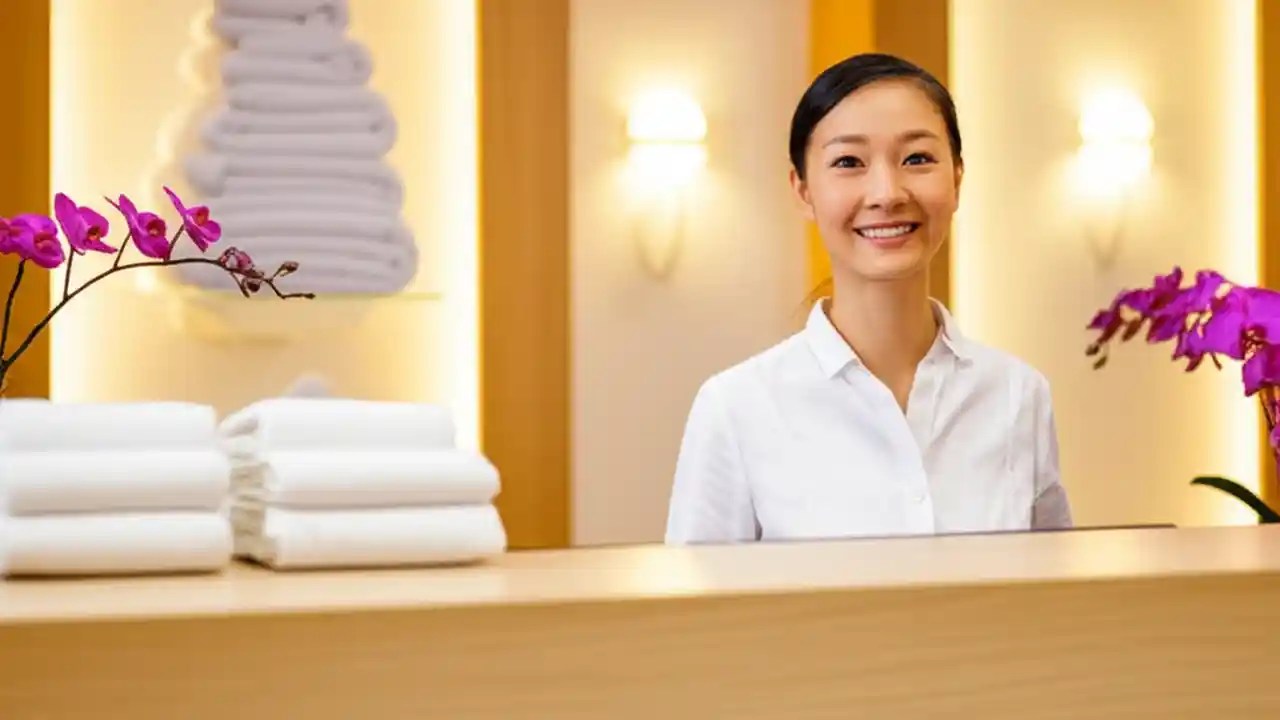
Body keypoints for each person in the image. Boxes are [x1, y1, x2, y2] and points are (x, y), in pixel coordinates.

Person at [664, 53, 1072, 544]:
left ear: (958, 178)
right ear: (802, 190)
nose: (887, 192)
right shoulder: (737, 408)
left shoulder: (1017, 396)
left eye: (917, 158)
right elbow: (700, 615)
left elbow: (1049, 599)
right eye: (848, 162)